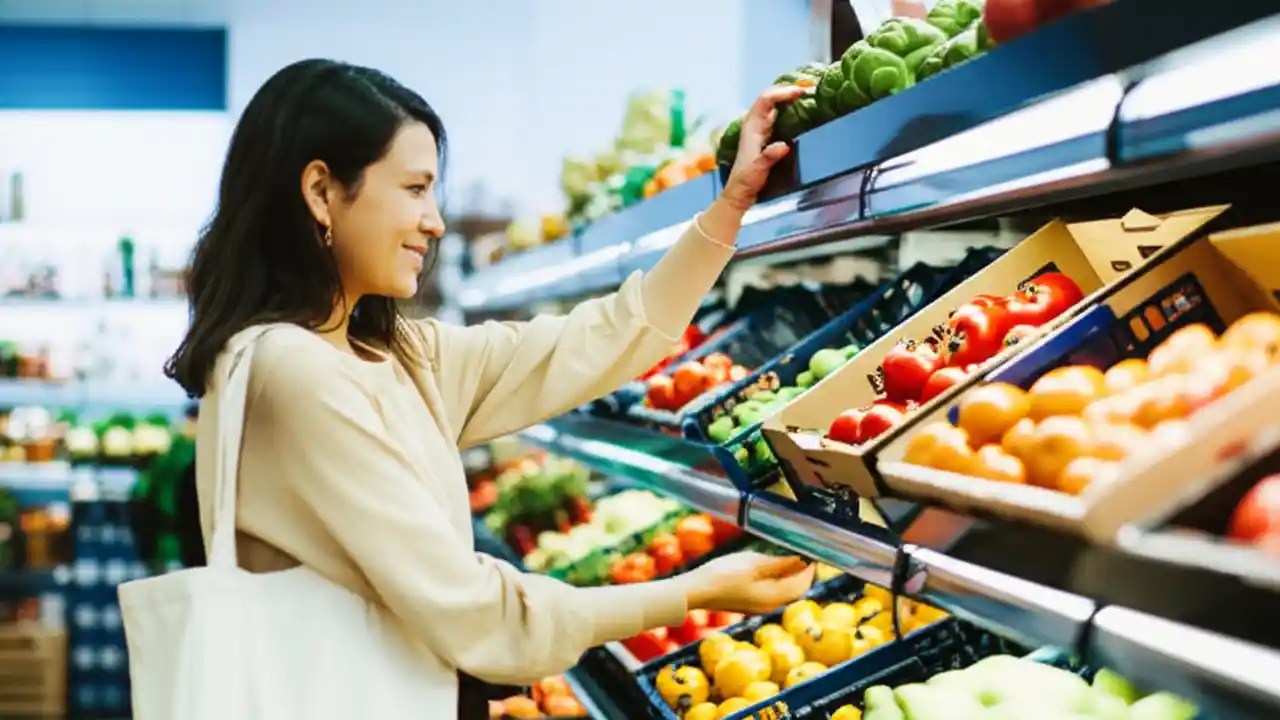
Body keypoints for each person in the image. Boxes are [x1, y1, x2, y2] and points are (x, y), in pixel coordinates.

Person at [163, 59, 814, 718]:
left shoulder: (394, 355)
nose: (435, 222)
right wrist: (691, 592)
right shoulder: (292, 372)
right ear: (321, 191)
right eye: (415, 189)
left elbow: (602, 339)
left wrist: (730, 207)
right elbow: (480, 616)